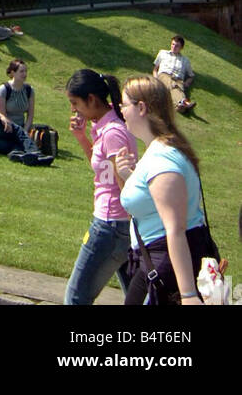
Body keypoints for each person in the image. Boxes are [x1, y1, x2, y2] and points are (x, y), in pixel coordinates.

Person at [115, 75, 213, 306]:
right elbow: (152, 202)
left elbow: (175, 229)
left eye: (123, 105)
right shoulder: (160, 151)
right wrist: (129, 177)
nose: (121, 111)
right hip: (156, 261)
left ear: (141, 108)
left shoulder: (162, 160)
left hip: (166, 265)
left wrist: (188, 295)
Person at [64, 68, 137, 306]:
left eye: (75, 103)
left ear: (92, 99)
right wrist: (81, 137)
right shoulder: (109, 126)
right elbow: (104, 171)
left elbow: (123, 182)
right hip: (119, 226)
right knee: (136, 298)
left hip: (109, 225)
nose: (73, 109)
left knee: (76, 297)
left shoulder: (113, 133)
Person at [152, 34, 195, 114]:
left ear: (181, 48)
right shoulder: (163, 53)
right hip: (164, 76)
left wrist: (187, 83)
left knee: (177, 87)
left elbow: (191, 76)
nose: (174, 47)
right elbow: (155, 69)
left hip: (178, 80)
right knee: (174, 85)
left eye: (177, 46)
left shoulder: (185, 60)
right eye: (173, 44)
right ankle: (184, 102)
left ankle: (180, 107)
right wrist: (156, 78)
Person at [0, 59, 35, 131]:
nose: (25, 74)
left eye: (26, 71)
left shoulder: (29, 90)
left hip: (22, 128)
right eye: (21, 71)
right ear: (13, 73)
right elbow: (2, 116)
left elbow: (30, 116)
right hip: (4, 128)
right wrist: (15, 131)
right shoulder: (3, 89)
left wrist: (24, 131)